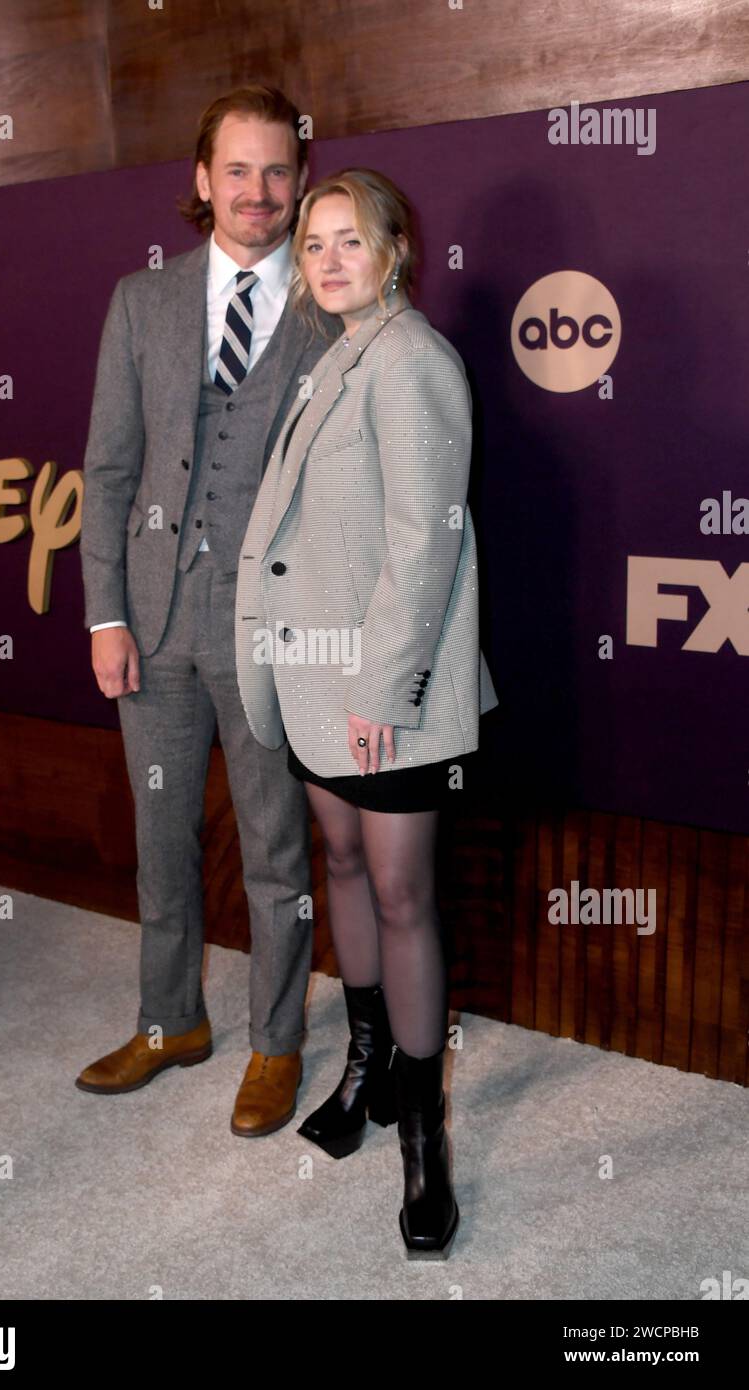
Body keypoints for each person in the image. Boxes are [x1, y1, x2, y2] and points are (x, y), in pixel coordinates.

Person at [235, 168, 499, 1255]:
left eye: (350, 240)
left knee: (399, 894)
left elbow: (424, 542)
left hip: (394, 692)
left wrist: (388, 685)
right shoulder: (333, 360)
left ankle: (425, 1140)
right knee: (340, 869)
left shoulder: (413, 362)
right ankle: (369, 1074)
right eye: (312, 245)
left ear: (396, 249)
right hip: (316, 681)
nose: (329, 259)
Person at [77, 86, 338, 1136]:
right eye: (238, 170)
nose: (258, 193)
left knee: (277, 846)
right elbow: (106, 469)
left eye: (278, 172)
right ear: (201, 181)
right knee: (161, 833)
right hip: (152, 621)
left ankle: (276, 1044)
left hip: (271, 632)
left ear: (301, 182)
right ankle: (168, 1019)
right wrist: (104, 614)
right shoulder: (139, 302)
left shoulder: (332, 311)